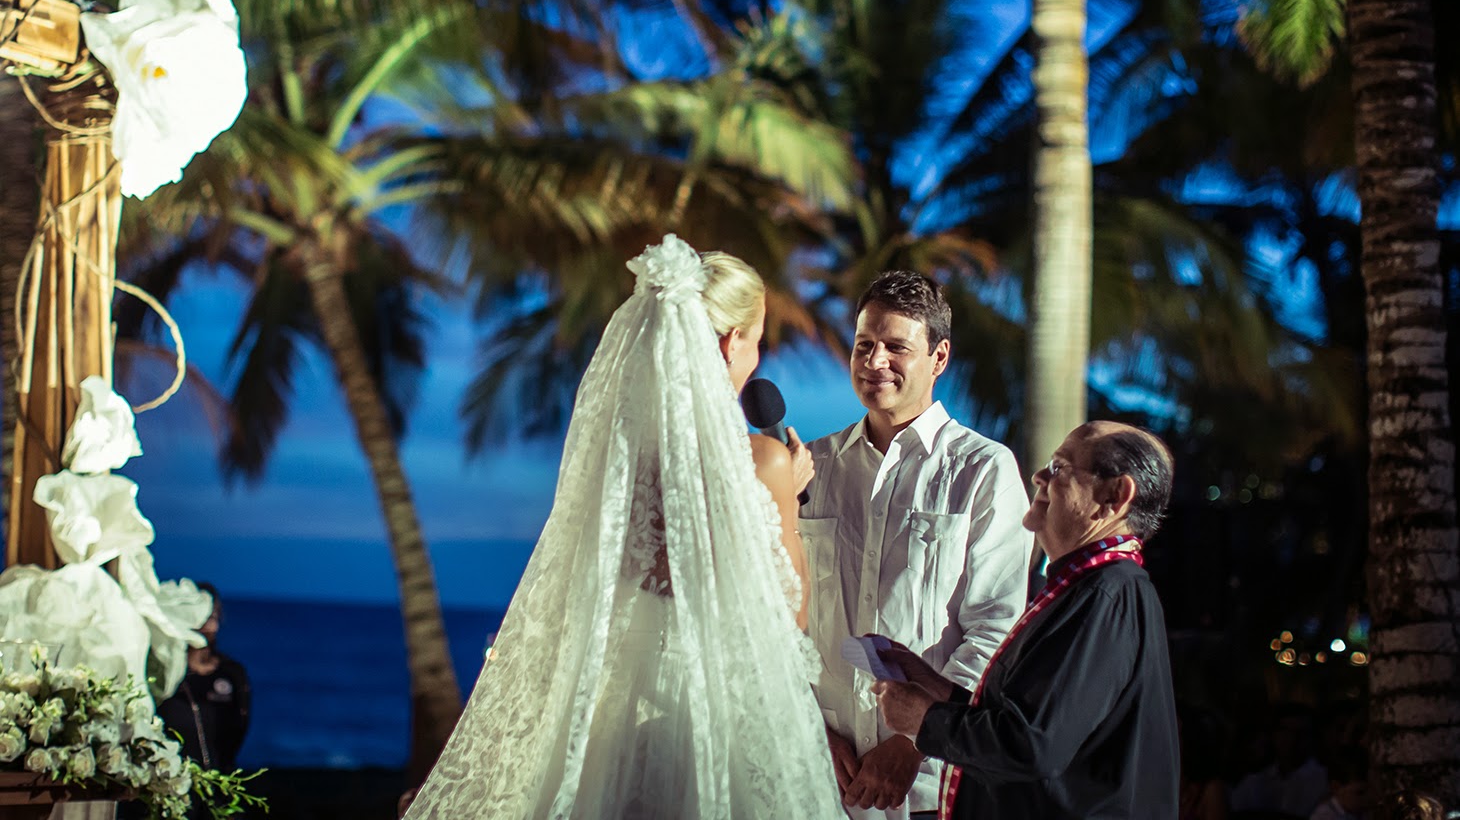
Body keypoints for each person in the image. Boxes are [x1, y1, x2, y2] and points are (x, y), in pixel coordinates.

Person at [404, 235, 843, 819]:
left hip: (613, 710)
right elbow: (790, 617)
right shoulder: (764, 463)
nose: (756, 357)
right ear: (732, 341)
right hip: (710, 712)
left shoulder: (619, 463)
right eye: (758, 340)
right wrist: (786, 490)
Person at [799, 270, 1032, 819]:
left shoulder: (984, 469)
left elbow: (997, 624)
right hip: (815, 772)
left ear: (939, 357)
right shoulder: (812, 466)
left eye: (896, 347)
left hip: (928, 782)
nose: (875, 361)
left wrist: (916, 740)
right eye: (864, 345)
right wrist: (809, 730)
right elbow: (786, 614)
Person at [872, 420, 1180, 820]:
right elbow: (1037, 720)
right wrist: (941, 693)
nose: (1038, 476)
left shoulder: (1106, 593)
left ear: (1113, 497)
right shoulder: (1090, 588)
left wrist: (925, 719)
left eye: (1059, 468)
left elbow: (1031, 745)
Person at [155, 581, 251, 772]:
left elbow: (240, 726)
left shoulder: (231, 672)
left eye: (213, 616)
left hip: (217, 781)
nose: (209, 625)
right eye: (203, 616)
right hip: (171, 779)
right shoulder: (166, 672)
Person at [1232, 706, 1329, 817]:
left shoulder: (1325, 781)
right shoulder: (1254, 781)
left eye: (1302, 733)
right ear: (1274, 735)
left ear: (1313, 738)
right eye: (1285, 731)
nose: (1293, 739)